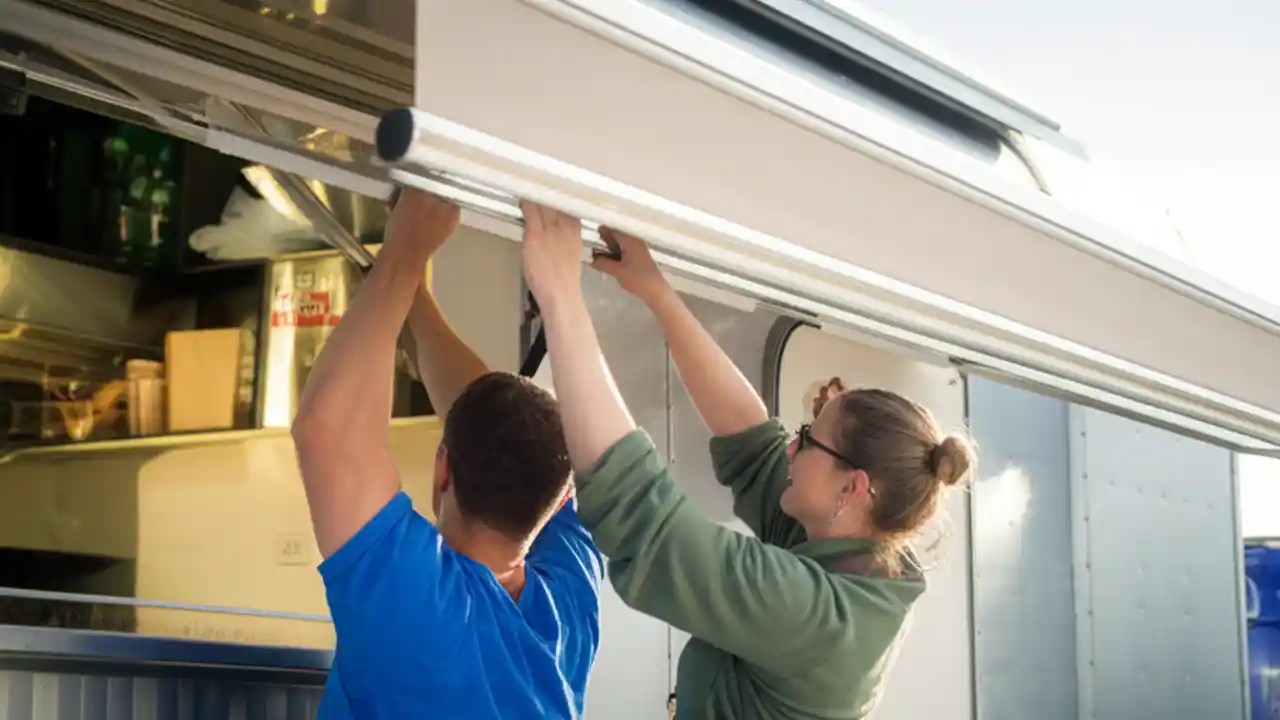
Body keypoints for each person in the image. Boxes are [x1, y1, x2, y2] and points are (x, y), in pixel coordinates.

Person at [520, 204, 975, 719]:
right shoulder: (859, 558)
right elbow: (753, 444)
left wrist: (561, 296)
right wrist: (654, 291)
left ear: (852, 488)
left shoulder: (817, 619)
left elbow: (648, 528)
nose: (790, 448)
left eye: (807, 440)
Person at [291, 190, 604, 719]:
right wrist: (407, 282)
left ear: (442, 472)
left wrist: (405, 254)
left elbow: (326, 432)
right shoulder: (571, 603)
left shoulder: (418, 604)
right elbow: (504, 422)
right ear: (558, 505)